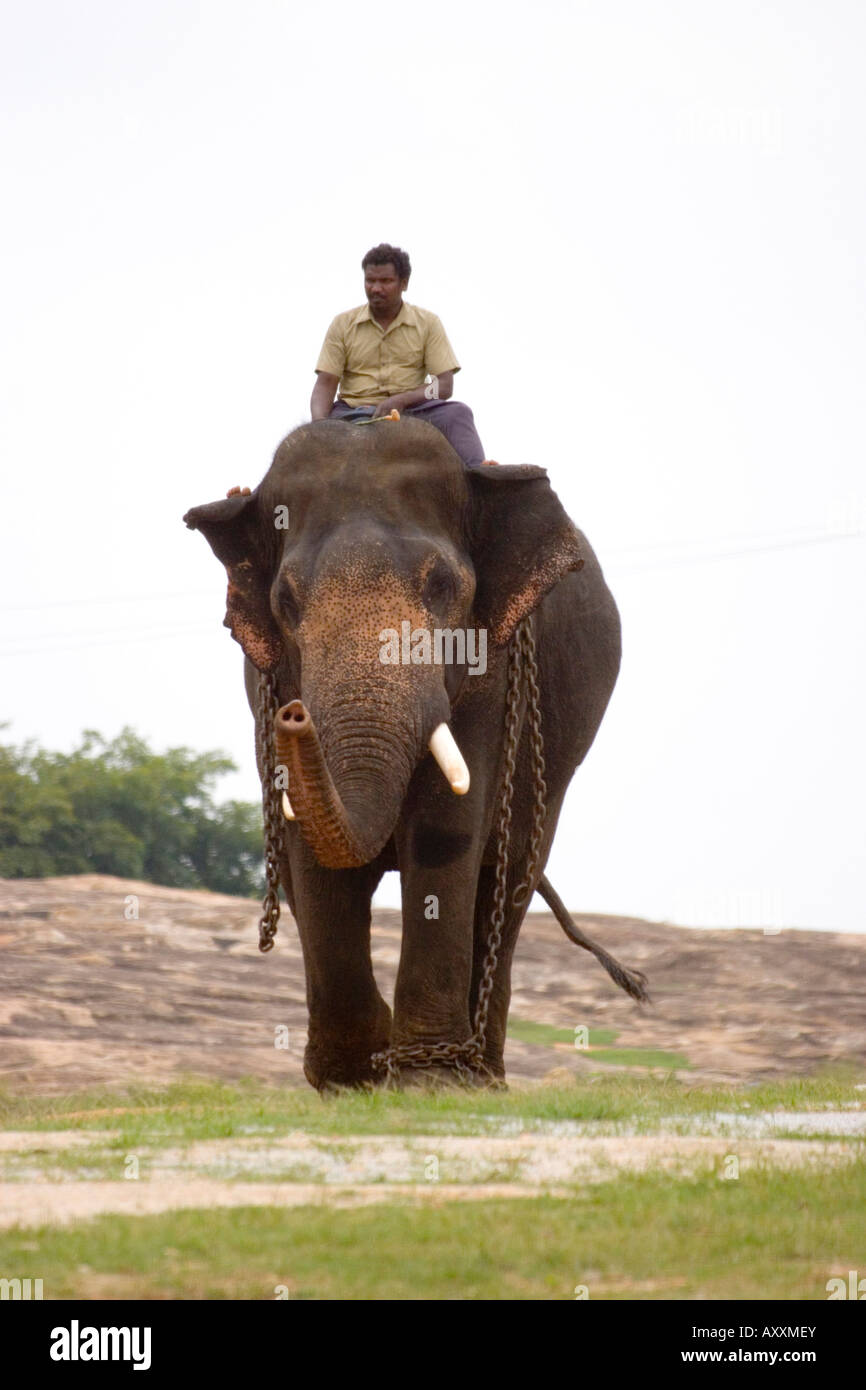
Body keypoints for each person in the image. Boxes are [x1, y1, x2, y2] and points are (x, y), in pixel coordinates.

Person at [310, 244, 495, 468]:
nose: (376, 288)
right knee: (300, 444)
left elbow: (443, 386)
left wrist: (401, 400)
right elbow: (325, 383)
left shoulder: (428, 323)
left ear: (404, 283)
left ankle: (480, 477)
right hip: (354, 412)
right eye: (370, 281)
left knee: (458, 414)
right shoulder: (342, 324)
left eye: (386, 281)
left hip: (414, 411)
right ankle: (262, 496)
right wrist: (319, 425)